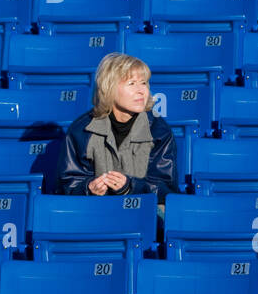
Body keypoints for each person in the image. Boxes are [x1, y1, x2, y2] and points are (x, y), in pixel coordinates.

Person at [56, 52, 178, 201]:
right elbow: (67, 185)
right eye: (132, 83)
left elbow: (166, 189)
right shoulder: (81, 130)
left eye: (144, 83)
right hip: (96, 209)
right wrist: (88, 188)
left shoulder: (158, 130)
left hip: (142, 210)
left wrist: (130, 187)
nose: (141, 90)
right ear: (109, 88)